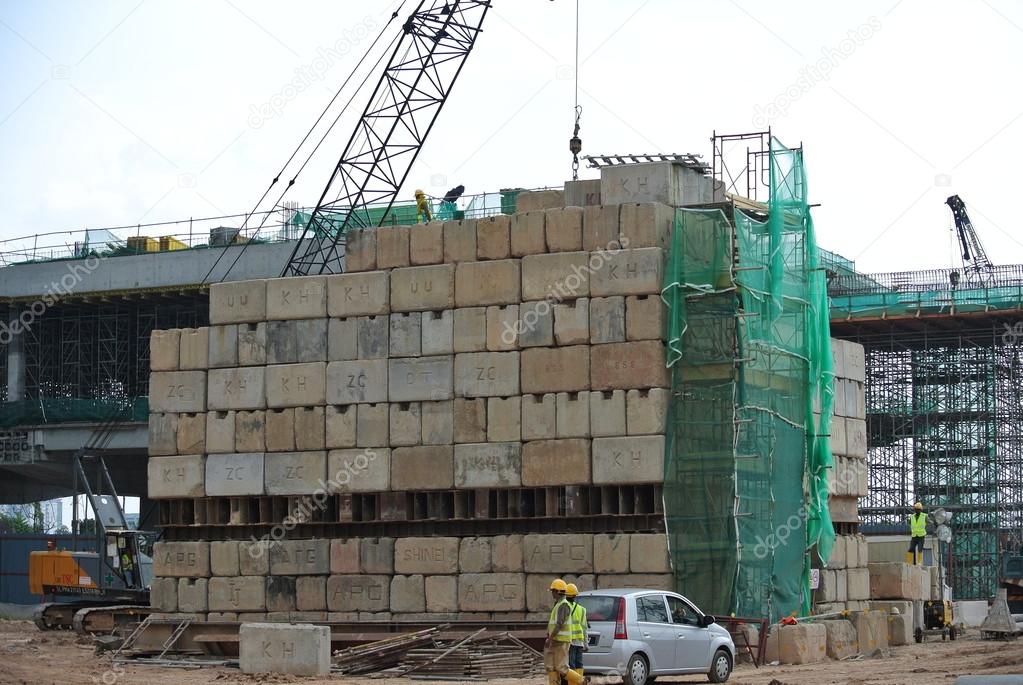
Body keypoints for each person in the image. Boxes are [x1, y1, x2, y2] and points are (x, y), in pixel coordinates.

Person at [544, 578, 583, 685]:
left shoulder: (564, 605)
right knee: (551, 666)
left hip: (561, 641)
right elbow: (553, 623)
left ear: (557, 591)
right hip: (556, 640)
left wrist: (550, 638)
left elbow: (559, 624)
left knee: (561, 667)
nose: (552, 593)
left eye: (553, 591)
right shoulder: (558, 604)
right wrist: (549, 636)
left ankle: (581, 681)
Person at [565, 583, 588, 681]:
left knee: (571, 665)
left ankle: (574, 682)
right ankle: (580, 681)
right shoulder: (581, 609)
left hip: (570, 641)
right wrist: (586, 644)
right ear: (575, 596)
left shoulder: (563, 607)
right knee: (579, 664)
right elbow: (584, 628)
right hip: (579, 641)